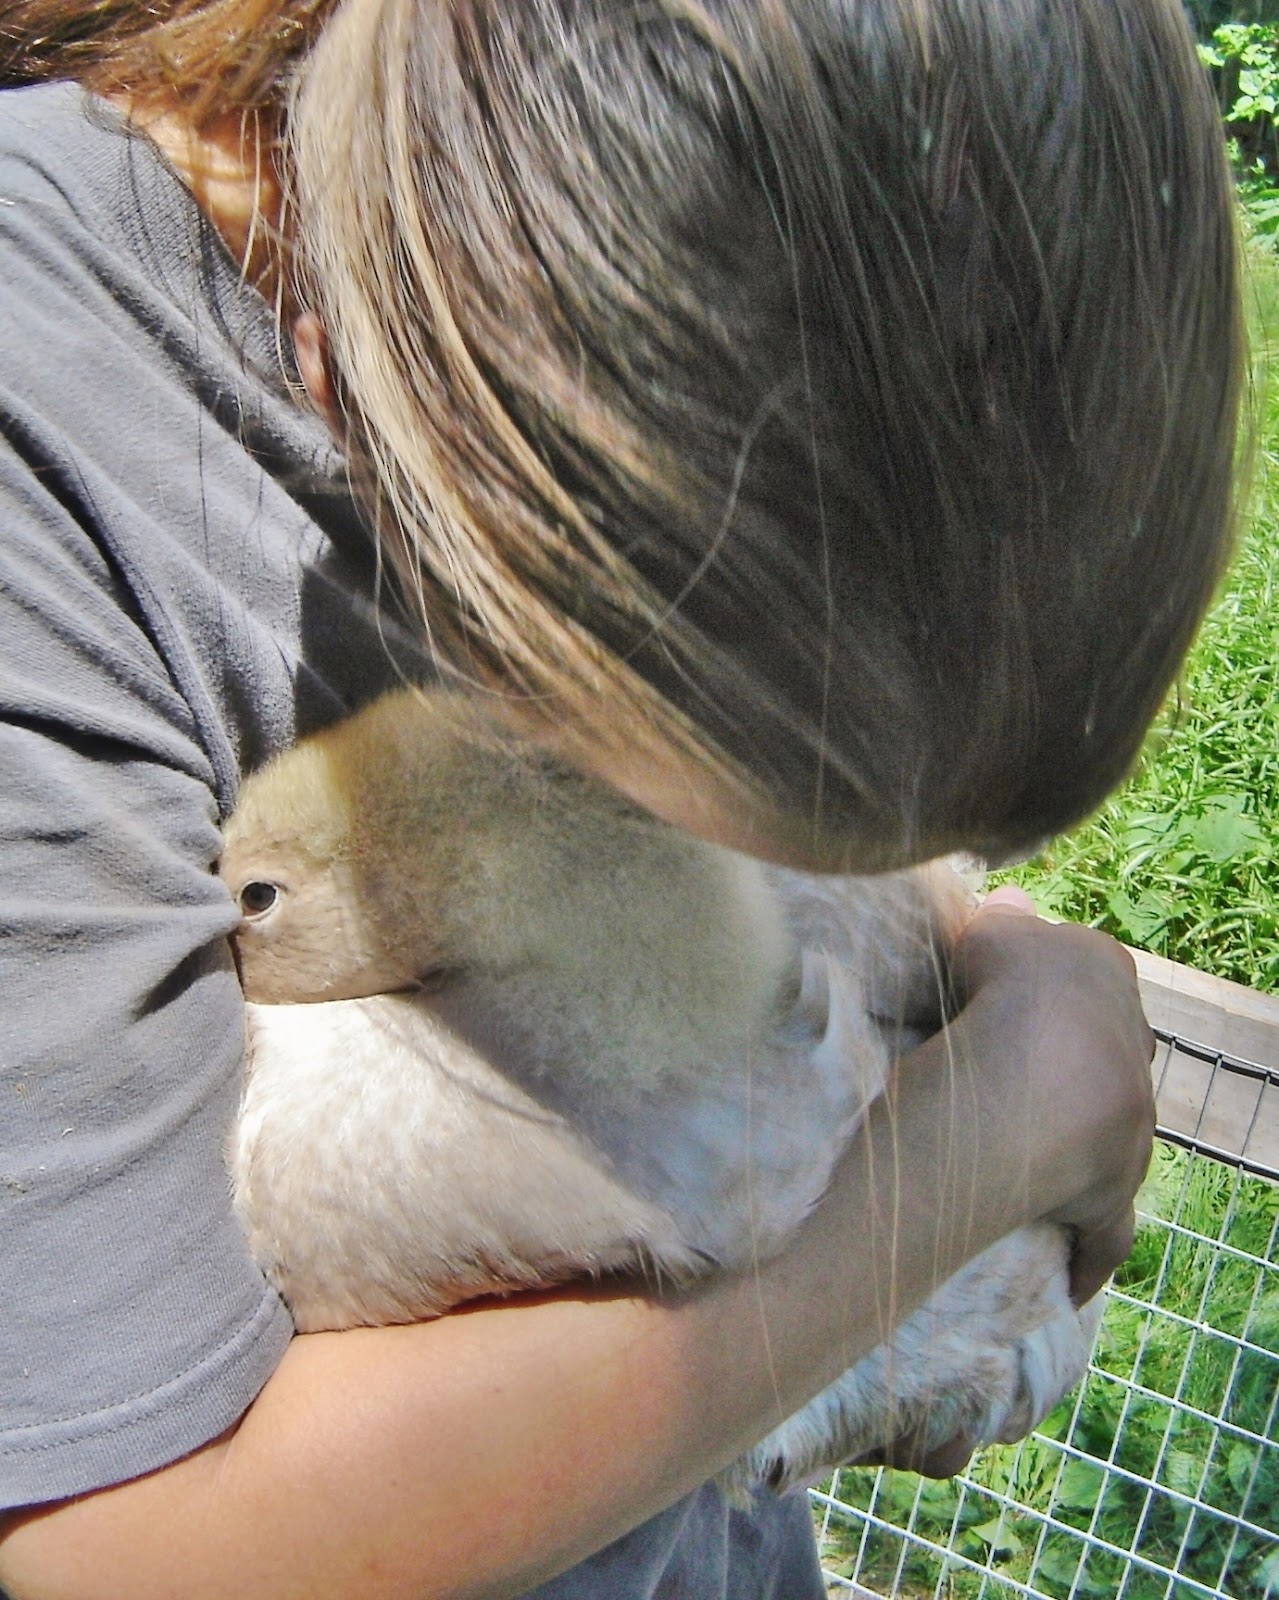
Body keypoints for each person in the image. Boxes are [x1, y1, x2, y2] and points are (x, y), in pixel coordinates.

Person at [0, 1, 1239, 1596]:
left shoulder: (721, 343)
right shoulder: (55, 426)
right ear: (358, 384)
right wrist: (973, 1149)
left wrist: (928, 956)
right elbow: (114, 1555)